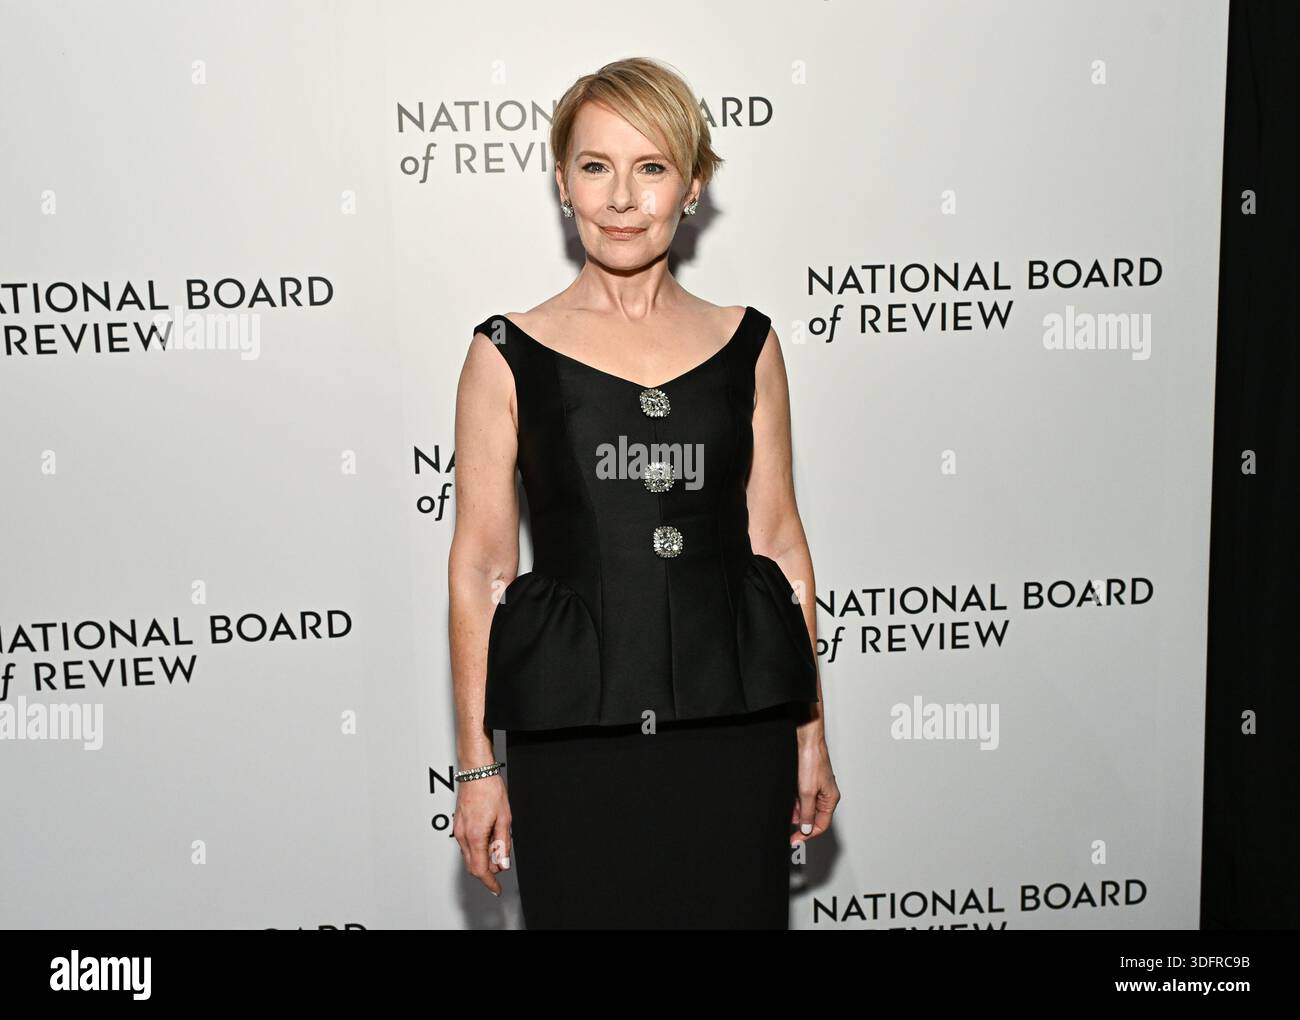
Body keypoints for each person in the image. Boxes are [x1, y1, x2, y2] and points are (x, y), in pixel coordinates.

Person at [448, 56, 840, 929]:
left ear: (693, 184)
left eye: (652, 166)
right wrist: (478, 769)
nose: (622, 197)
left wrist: (811, 733)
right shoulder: (505, 352)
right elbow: (480, 570)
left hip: (738, 727)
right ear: (562, 181)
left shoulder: (750, 345)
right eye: (596, 166)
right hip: (574, 733)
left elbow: (778, 543)